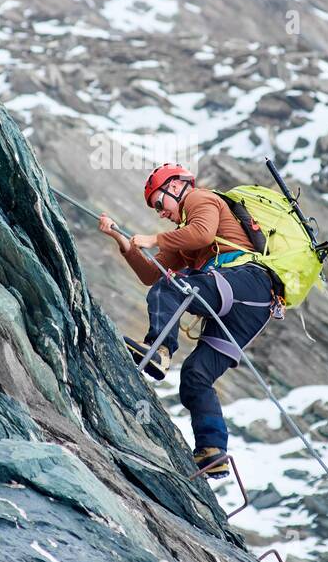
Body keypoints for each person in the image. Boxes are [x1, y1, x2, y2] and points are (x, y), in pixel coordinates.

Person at [99, 164, 281, 479]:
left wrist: (153, 237)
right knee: (196, 376)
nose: (160, 212)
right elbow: (150, 275)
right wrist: (122, 239)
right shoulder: (186, 237)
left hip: (247, 281)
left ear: (175, 187)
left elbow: (204, 233)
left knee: (172, 286)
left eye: (159, 203)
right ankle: (213, 452)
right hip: (252, 306)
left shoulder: (199, 199)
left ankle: (160, 350)